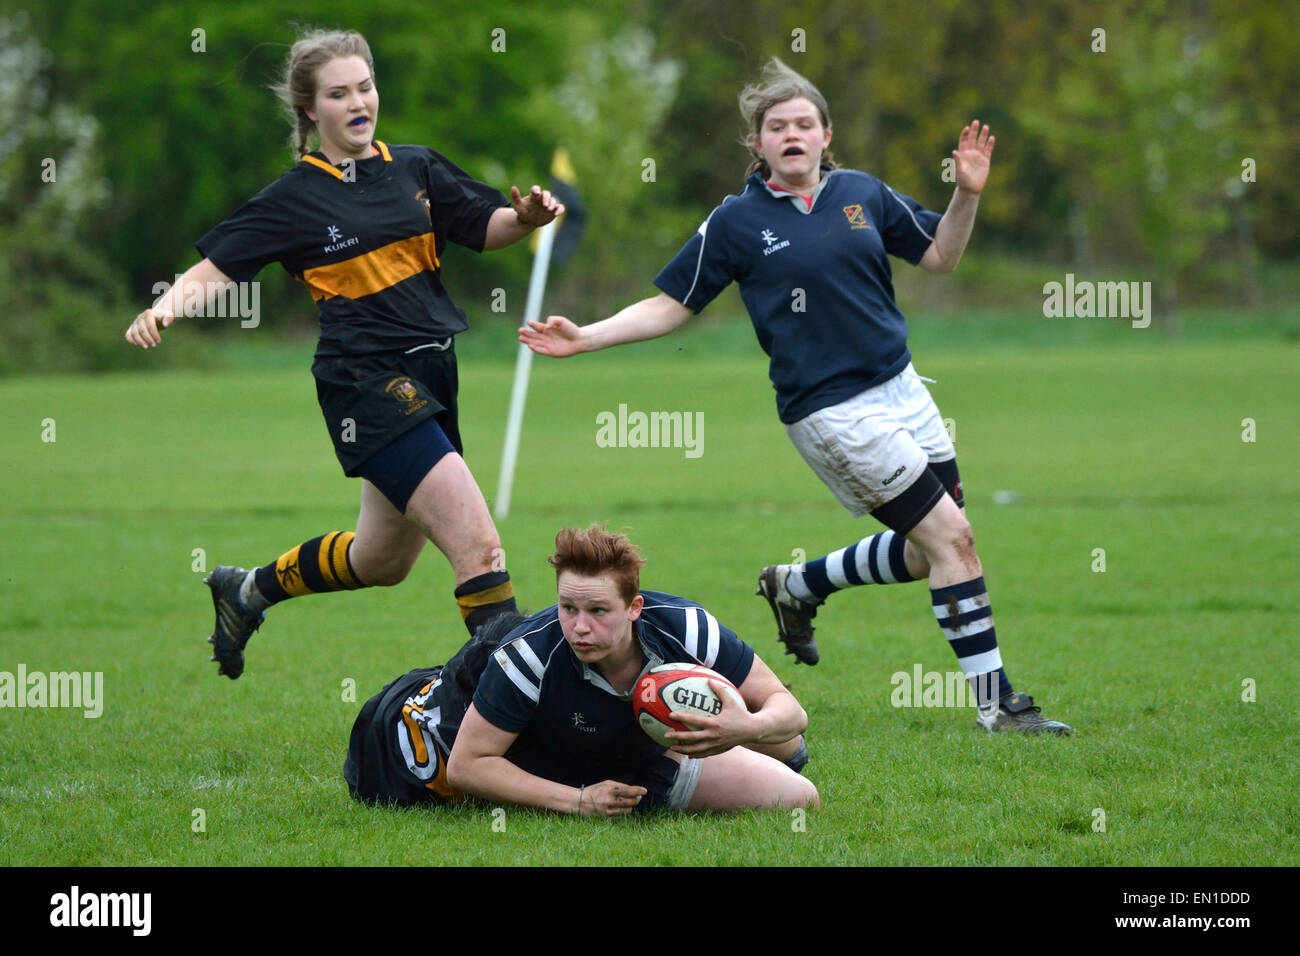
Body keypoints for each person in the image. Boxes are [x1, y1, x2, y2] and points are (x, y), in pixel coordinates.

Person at [519, 58, 1070, 734]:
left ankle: (798, 585)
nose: (792, 134)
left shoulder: (863, 193)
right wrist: (588, 337)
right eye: (776, 126)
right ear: (757, 145)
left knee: (936, 552)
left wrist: (968, 195)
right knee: (953, 540)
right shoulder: (735, 221)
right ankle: (999, 708)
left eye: (804, 123)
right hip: (832, 413)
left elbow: (941, 257)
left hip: (903, 389)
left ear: (826, 135)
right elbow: (672, 306)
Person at [124, 29, 563, 678]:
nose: (358, 101)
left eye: (365, 86)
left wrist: (525, 219)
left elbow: (485, 226)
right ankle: (515, 714)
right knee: (479, 543)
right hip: (366, 381)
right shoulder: (294, 198)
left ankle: (246, 590)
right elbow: (217, 269)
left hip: (433, 372)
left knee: (382, 561)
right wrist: (165, 307)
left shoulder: (415, 167)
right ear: (310, 111)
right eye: (338, 93)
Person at [347, 525, 817, 814]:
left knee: (788, 749)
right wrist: (578, 801)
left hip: (616, 737)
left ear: (635, 607)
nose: (579, 627)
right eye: (567, 607)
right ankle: (643, 782)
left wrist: (744, 727)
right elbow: (469, 766)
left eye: (597, 611)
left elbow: (789, 709)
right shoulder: (529, 658)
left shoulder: (686, 628)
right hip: (543, 747)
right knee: (796, 793)